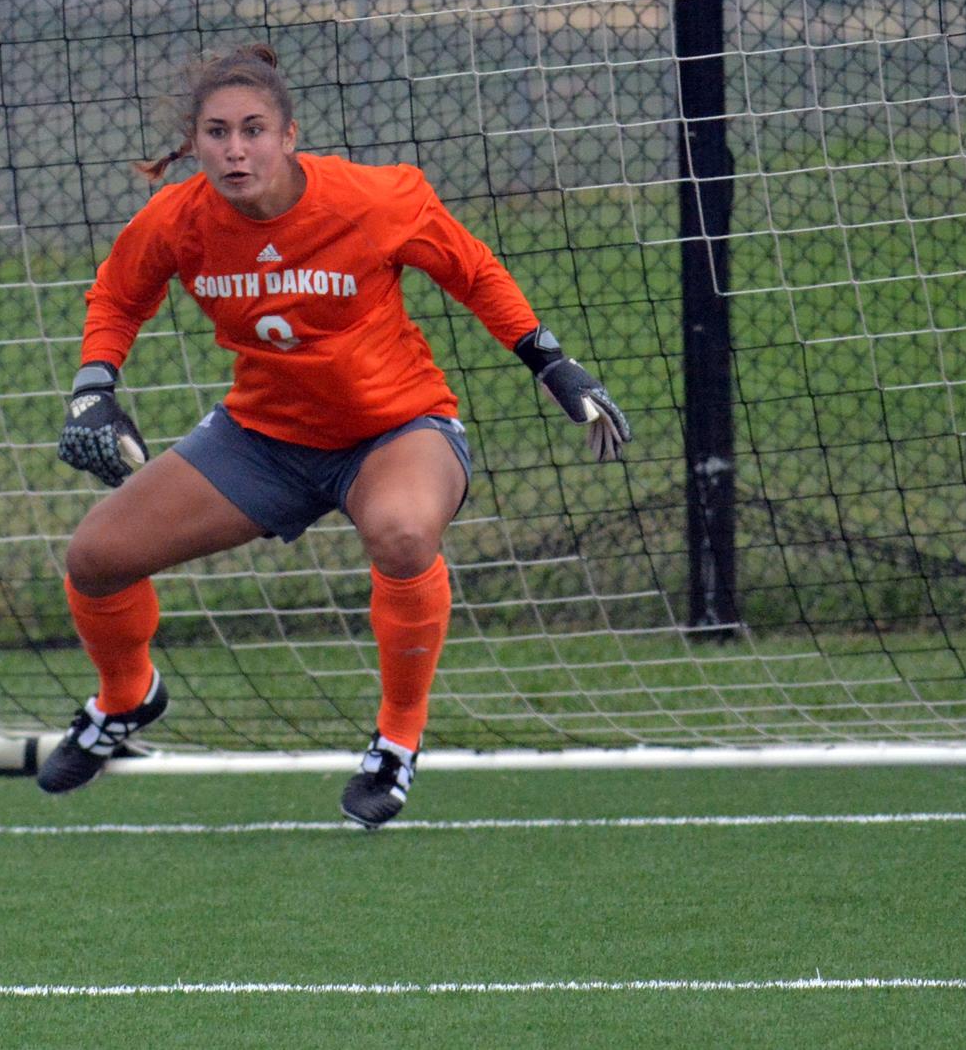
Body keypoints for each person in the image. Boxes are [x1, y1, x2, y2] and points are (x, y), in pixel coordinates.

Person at [41, 44, 631, 828]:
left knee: (402, 533)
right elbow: (117, 296)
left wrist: (551, 362)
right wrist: (93, 389)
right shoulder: (179, 220)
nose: (236, 150)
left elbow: (472, 270)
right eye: (217, 133)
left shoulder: (372, 199)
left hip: (396, 428)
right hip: (262, 438)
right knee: (95, 557)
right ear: (195, 144)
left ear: (289, 136)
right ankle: (126, 698)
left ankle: (397, 740)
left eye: (254, 130)